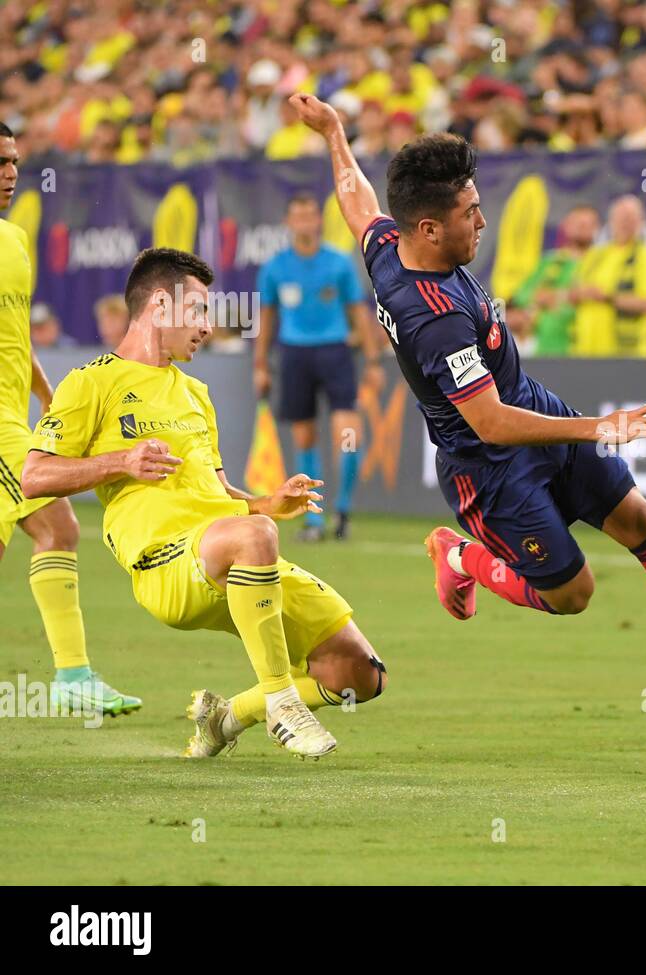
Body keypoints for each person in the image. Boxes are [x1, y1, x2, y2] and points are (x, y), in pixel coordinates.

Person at [292, 92, 646, 683]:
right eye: (470, 213)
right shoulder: (432, 319)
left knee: (640, 521)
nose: (482, 222)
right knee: (573, 592)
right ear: (430, 227)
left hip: (536, 412)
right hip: (488, 466)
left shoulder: (390, 249)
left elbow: (357, 203)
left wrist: (335, 133)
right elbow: (488, 421)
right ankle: (462, 554)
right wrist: (599, 426)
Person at [23, 247, 385, 760]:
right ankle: (282, 702)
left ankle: (224, 719)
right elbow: (34, 475)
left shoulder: (196, 392)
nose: (207, 326)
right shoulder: (91, 383)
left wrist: (264, 503)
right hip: (165, 566)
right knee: (254, 537)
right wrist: (120, 462)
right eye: (197, 311)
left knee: (358, 674)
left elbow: (218, 493)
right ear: (159, 307)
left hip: (231, 550)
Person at [0, 121, 141, 718]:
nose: (9, 172)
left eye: (13, 161)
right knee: (58, 527)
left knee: (54, 533)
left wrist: (48, 394)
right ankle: (72, 675)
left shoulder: (14, 241)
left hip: (14, 414)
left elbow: (16, 334)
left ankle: (73, 676)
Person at [253, 193, 385, 542]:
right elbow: (266, 319)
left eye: (310, 216)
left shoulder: (338, 263)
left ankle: (342, 509)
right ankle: (314, 519)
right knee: (304, 438)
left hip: (334, 352)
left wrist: (372, 359)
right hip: (294, 355)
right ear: (289, 222)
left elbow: (359, 312)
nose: (305, 223)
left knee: (348, 434)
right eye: (298, 216)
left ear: (318, 221)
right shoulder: (275, 267)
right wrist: (260, 365)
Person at [571, 195, 646, 358]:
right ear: (611, 221)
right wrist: (582, 293)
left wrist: (608, 297)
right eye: (621, 218)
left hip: (629, 356)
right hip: (585, 352)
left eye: (630, 218)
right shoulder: (595, 256)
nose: (625, 223)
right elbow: (572, 292)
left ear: (641, 222)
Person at [508, 205, 599, 357]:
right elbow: (523, 295)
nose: (582, 228)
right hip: (548, 348)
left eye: (587, 224)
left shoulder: (603, 260)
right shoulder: (550, 261)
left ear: (597, 227)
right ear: (566, 226)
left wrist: (559, 297)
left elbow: (595, 293)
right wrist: (538, 298)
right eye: (578, 223)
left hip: (590, 349)